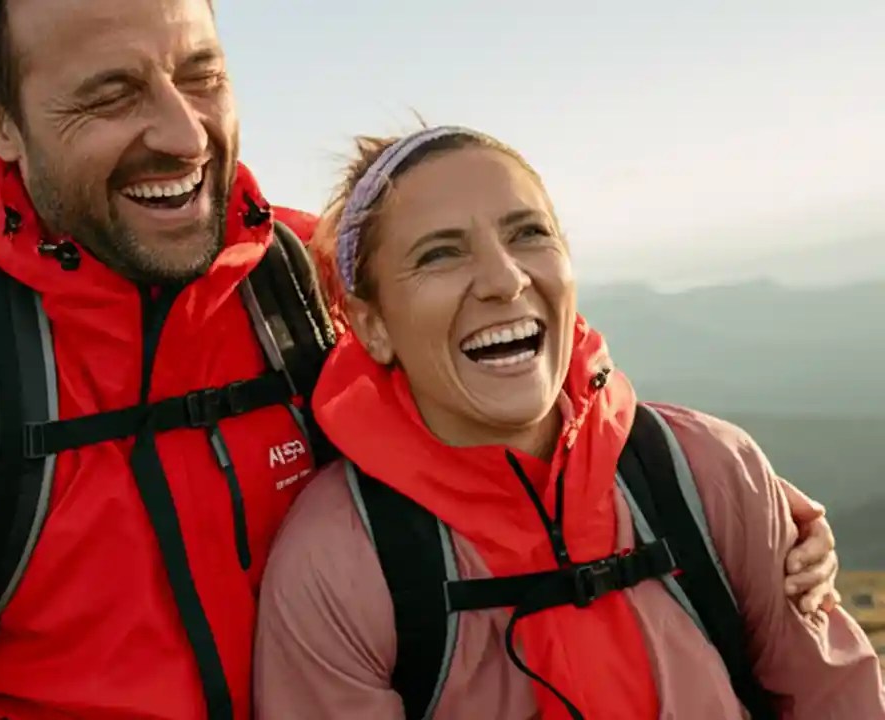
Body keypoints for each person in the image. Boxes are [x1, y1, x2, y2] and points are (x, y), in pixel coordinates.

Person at [0, 1, 843, 718]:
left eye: (199, 74)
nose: (182, 134)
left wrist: (731, 499)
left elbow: (525, 369)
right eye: (109, 95)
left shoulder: (323, 279)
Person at [253, 125, 884, 719]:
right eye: (440, 254)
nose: (505, 278)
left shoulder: (706, 473)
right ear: (373, 325)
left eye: (529, 233)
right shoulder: (337, 565)